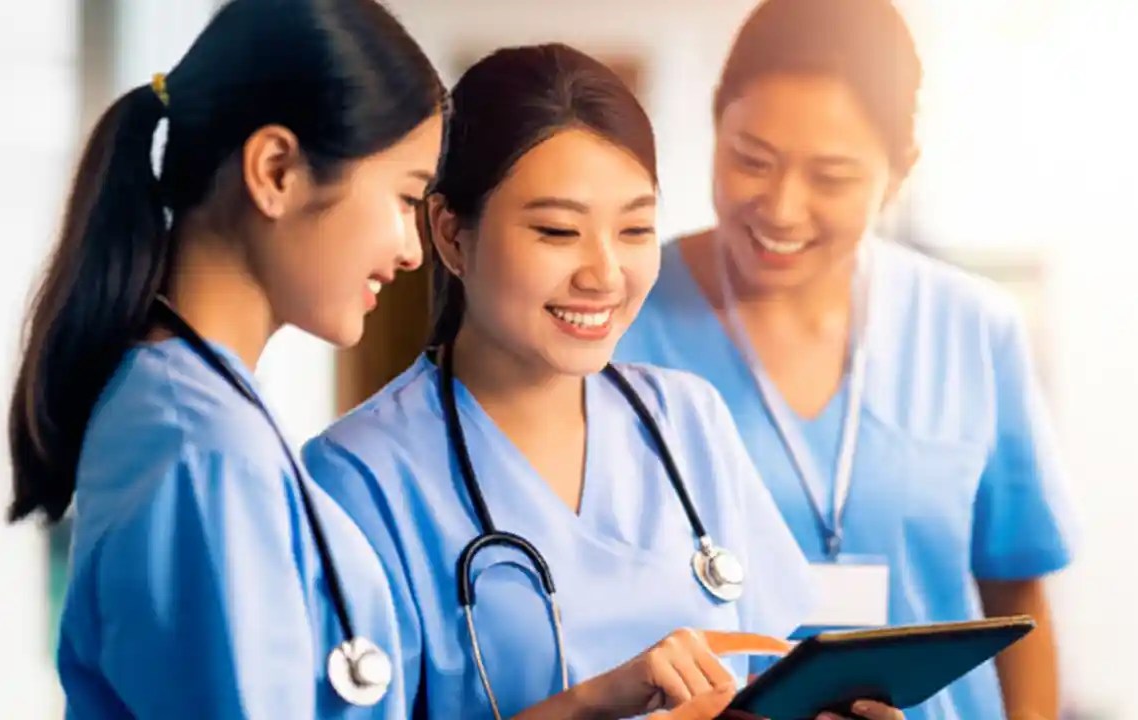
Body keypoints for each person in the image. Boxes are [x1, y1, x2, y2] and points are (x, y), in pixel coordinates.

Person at [303, 43, 903, 720]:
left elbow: (770, 677)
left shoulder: (687, 421)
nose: (604, 274)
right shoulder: (358, 475)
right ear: (450, 234)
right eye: (558, 231)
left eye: (636, 229)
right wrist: (598, 702)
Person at [614, 1, 1077, 718]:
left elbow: (1017, 596)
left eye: (830, 177)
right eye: (750, 160)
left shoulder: (972, 329)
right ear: (714, 126)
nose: (782, 208)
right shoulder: (621, 325)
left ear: (898, 173)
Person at [5, 1, 447, 716]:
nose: (411, 250)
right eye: (405, 198)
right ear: (275, 170)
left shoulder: (189, 409)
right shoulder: (204, 453)